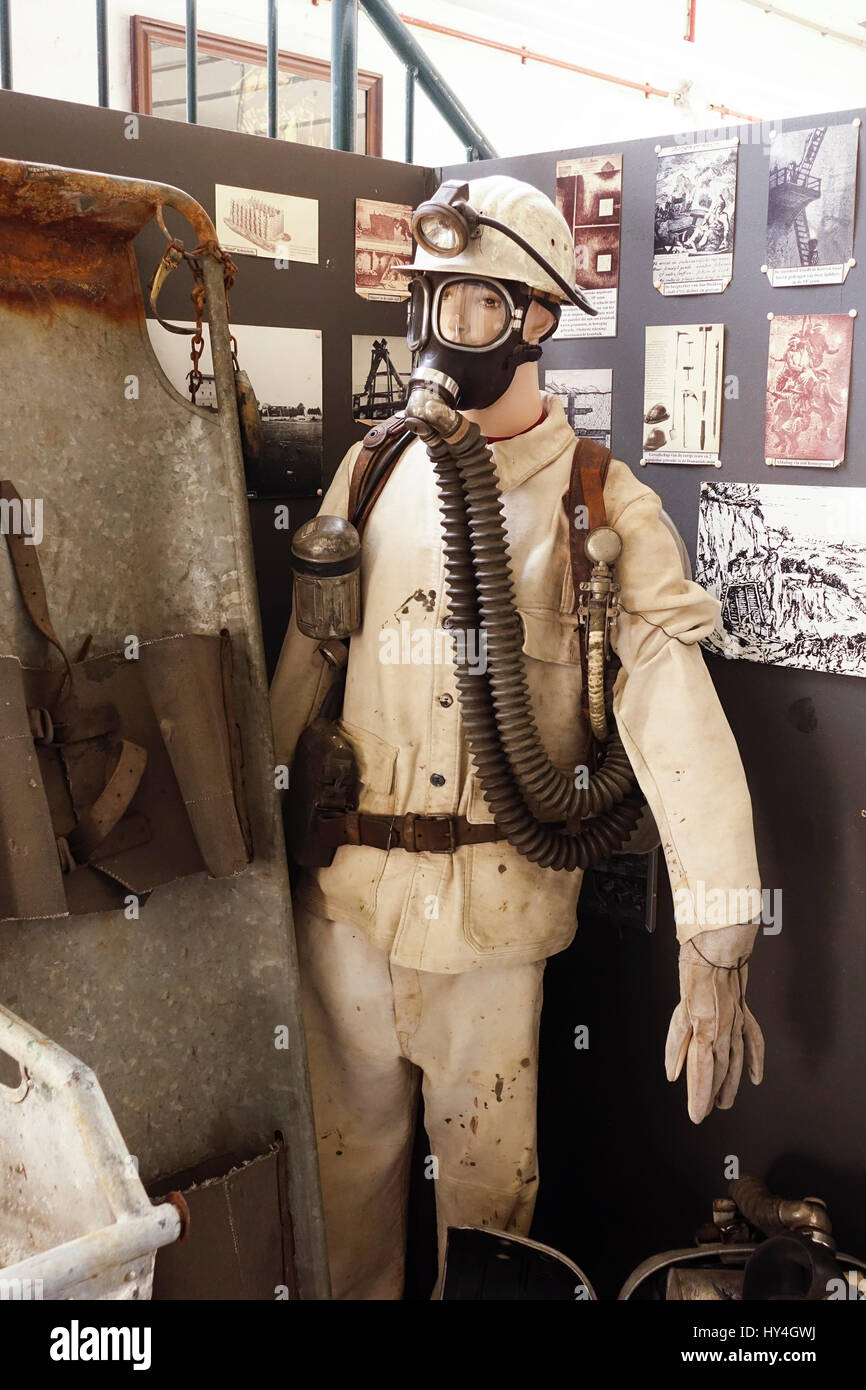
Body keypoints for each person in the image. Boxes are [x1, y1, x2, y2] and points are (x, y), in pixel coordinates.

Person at [270, 176, 764, 1301]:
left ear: (535, 322)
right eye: (429, 300)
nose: (441, 334)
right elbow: (305, 667)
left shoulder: (598, 502)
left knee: (488, 1207)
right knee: (340, 1186)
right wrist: (255, 846)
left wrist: (717, 937)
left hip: (489, 917)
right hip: (344, 899)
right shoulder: (376, 465)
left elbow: (673, 709)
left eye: (474, 308)